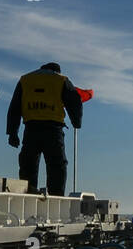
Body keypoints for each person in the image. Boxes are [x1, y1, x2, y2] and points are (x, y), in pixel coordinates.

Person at [6, 61, 83, 195]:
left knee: (28, 166)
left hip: (31, 129)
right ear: (57, 71)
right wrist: (76, 122)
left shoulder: (25, 80)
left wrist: (12, 133)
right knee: (57, 166)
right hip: (53, 130)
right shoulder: (61, 79)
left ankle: (28, 195)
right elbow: (75, 102)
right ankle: (56, 198)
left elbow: (14, 108)